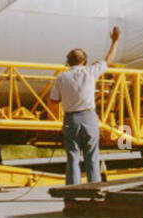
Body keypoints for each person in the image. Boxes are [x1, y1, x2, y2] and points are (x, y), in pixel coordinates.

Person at [50, 26, 121, 186]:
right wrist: (114, 42)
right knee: (92, 156)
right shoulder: (90, 72)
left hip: (71, 119)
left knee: (73, 157)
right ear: (85, 60)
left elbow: (53, 101)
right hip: (89, 117)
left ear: (68, 61)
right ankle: (94, 190)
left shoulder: (61, 78)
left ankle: (72, 192)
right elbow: (108, 60)